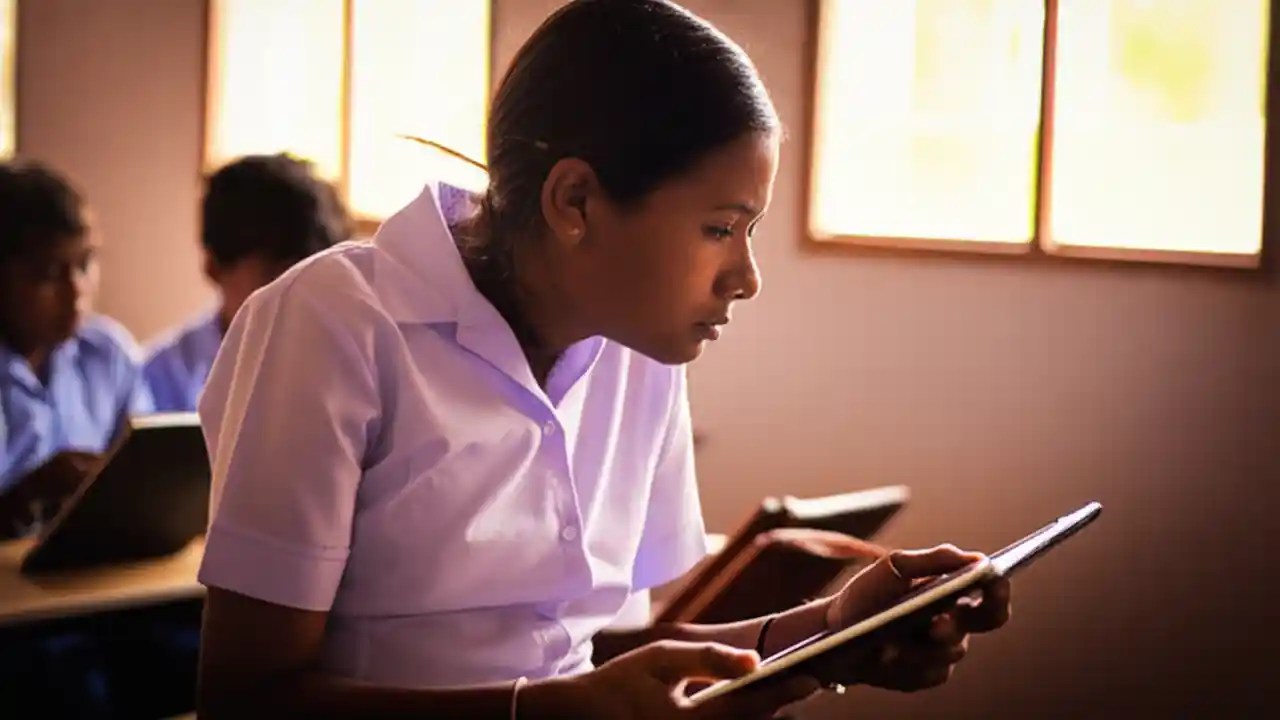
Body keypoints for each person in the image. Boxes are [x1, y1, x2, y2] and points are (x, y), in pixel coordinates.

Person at [195, 2, 1012, 718]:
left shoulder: (639, 351)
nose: (746, 278)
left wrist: (834, 632)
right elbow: (246, 699)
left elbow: (611, 653)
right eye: (720, 228)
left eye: (749, 232)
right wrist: (540, 713)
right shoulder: (333, 325)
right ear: (576, 201)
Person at [0, 160, 152, 539]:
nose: (76, 291)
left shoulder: (108, 354)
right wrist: (25, 496)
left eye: (85, 264)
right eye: (49, 275)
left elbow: (150, 469)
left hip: (89, 578)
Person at [143, 153, 351, 412]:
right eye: (276, 278)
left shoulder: (353, 366)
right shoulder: (162, 379)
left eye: (313, 278)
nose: (298, 298)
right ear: (214, 267)